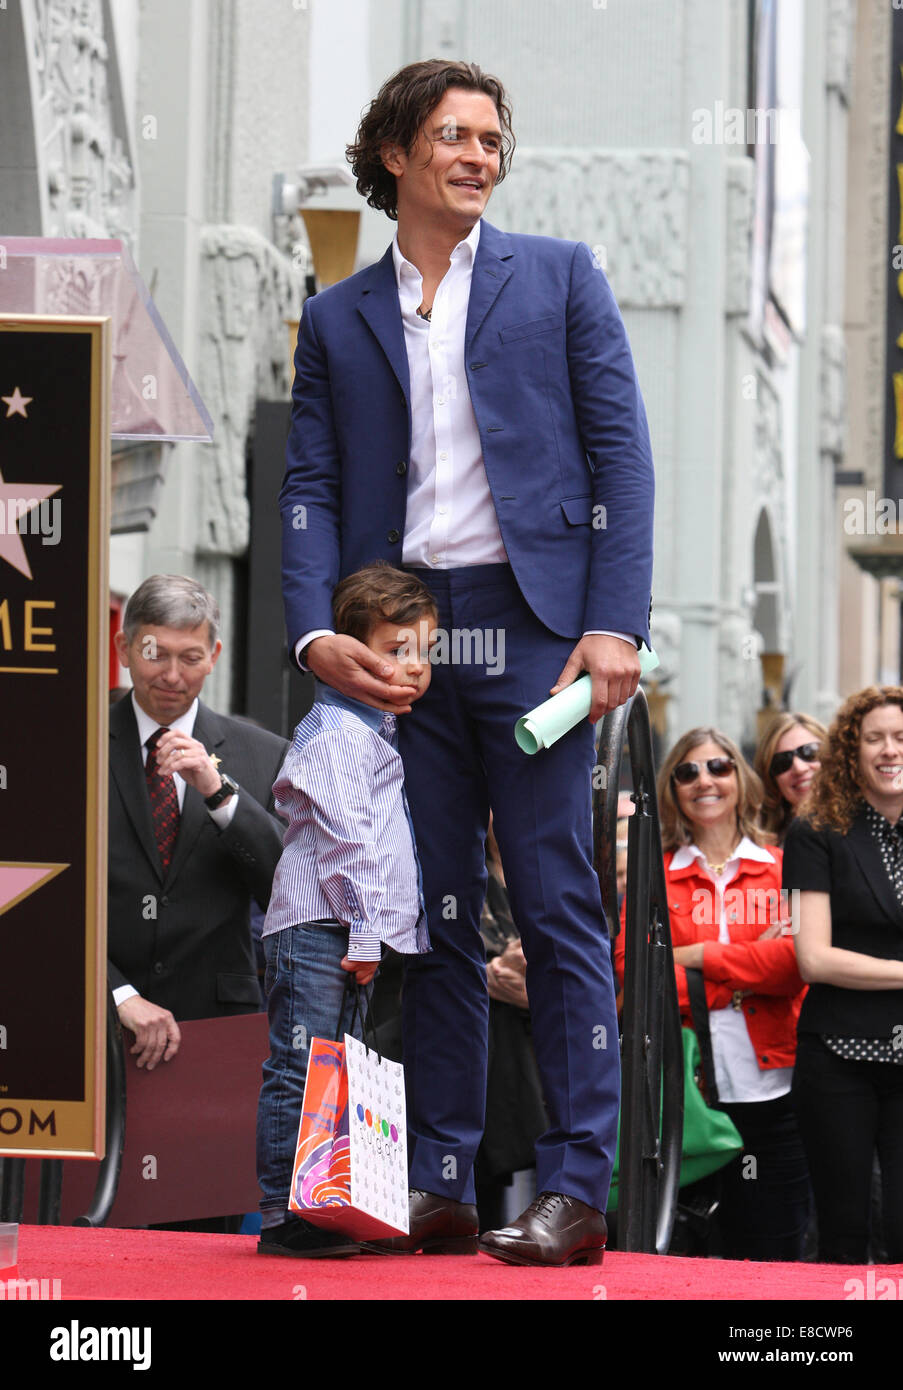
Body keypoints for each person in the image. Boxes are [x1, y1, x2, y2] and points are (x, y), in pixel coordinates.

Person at [280, 58, 654, 1267]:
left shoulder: (560, 276)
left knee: (553, 907)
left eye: (493, 139)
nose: (480, 155)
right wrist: (315, 631)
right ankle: (437, 1176)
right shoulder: (337, 317)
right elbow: (311, 487)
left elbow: (622, 459)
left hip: (538, 626)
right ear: (396, 153)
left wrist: (615, 626)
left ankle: (576, 1188)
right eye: (454, 135)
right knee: (428, 908)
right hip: (405, 636)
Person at [256, 564, 435, 1257]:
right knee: (300, 1069)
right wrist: (364, 934)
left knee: (340, 1069)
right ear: (349, 655)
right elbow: (345, 847)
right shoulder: (336, 733)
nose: (414, 668)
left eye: (423, 651)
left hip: (343, 932)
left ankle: (329, 1201)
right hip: (319, 929)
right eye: (396, 650)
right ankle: (285, 1215)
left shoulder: (376, 734)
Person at [615, 727, 809, 1260]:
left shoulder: (784, 867)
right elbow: (638, 975)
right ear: (673, 788)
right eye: (687, 771)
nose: (705, 780)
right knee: (680, 1255)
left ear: (741, 781)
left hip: (773, 1089)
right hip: (683, 1096)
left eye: (719, 767)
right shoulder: (655, 873)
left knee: (775, 1255)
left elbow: (793, 966)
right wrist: (745, 976)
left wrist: (696, 958)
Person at [109, 575, 288, 1068]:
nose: (171, 675)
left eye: (189, 658)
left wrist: (218, 791)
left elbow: (285, 891)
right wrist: (119, 995)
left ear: (213, 655)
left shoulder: (263, 755)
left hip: (214, 1026)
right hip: (94, 1019)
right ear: (123, 648)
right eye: (154, 653)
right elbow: (51, 895)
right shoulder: (75, 746)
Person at [783, 686, 903, 1263]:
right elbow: (814, 959)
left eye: (901, 738)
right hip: (838, 1060)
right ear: (852, 752)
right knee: (844, 1232)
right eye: (874, 738)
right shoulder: (815, 831)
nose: (889, 750)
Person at [754, 711, 826, 843]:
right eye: (782, 762)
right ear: (772, 780)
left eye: (809, 752)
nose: (799, 768)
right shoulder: (761, 849)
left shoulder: (867, 822)